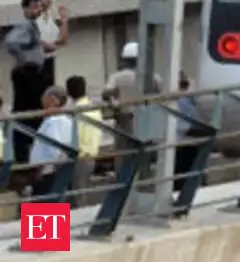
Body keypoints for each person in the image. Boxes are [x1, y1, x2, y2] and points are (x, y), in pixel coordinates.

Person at [102, 41, 161, 170]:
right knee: (144, 155)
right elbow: (162, 93)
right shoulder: (152, 76)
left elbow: (106, 94)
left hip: (124, 120)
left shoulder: (117, 77)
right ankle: (144, 180)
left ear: (124, 60)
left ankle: (124, 184)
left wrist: (114, 105)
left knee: (123, 157)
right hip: (146, 120)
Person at [4, 0, 47, 163]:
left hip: (32, 72)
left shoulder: (34, 26)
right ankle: (23, 157)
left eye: (39, 7)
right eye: (34, 7)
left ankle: (27, 154)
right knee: (28, 112)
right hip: (28, 72)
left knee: (33, 114)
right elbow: (10, 41)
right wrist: (23, 59)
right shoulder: (26, 26)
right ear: (26, 9)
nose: (38, 10)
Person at [28, 85, 74, 200]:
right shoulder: (68, 120)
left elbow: (53, 150)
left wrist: (41, 169)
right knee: (55, 209)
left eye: (45, 97)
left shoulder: (52, 122)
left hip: (47, 173)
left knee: (42, 212)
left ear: (54, 100)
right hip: (59, 170)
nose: (42, 100)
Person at [65, 75, 101, 207]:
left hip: (78, 156)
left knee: (77, 194)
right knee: (82, 191)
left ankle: (79, 225)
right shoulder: (93, 108)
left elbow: (75, 136)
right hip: (91, 154)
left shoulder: (75, 111)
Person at [29, 0, 70, 90]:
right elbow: (41, 45)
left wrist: (64, 21)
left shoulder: (50, 17)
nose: (49, 0)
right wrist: (51, 46)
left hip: (49, 62)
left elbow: (62, 41)